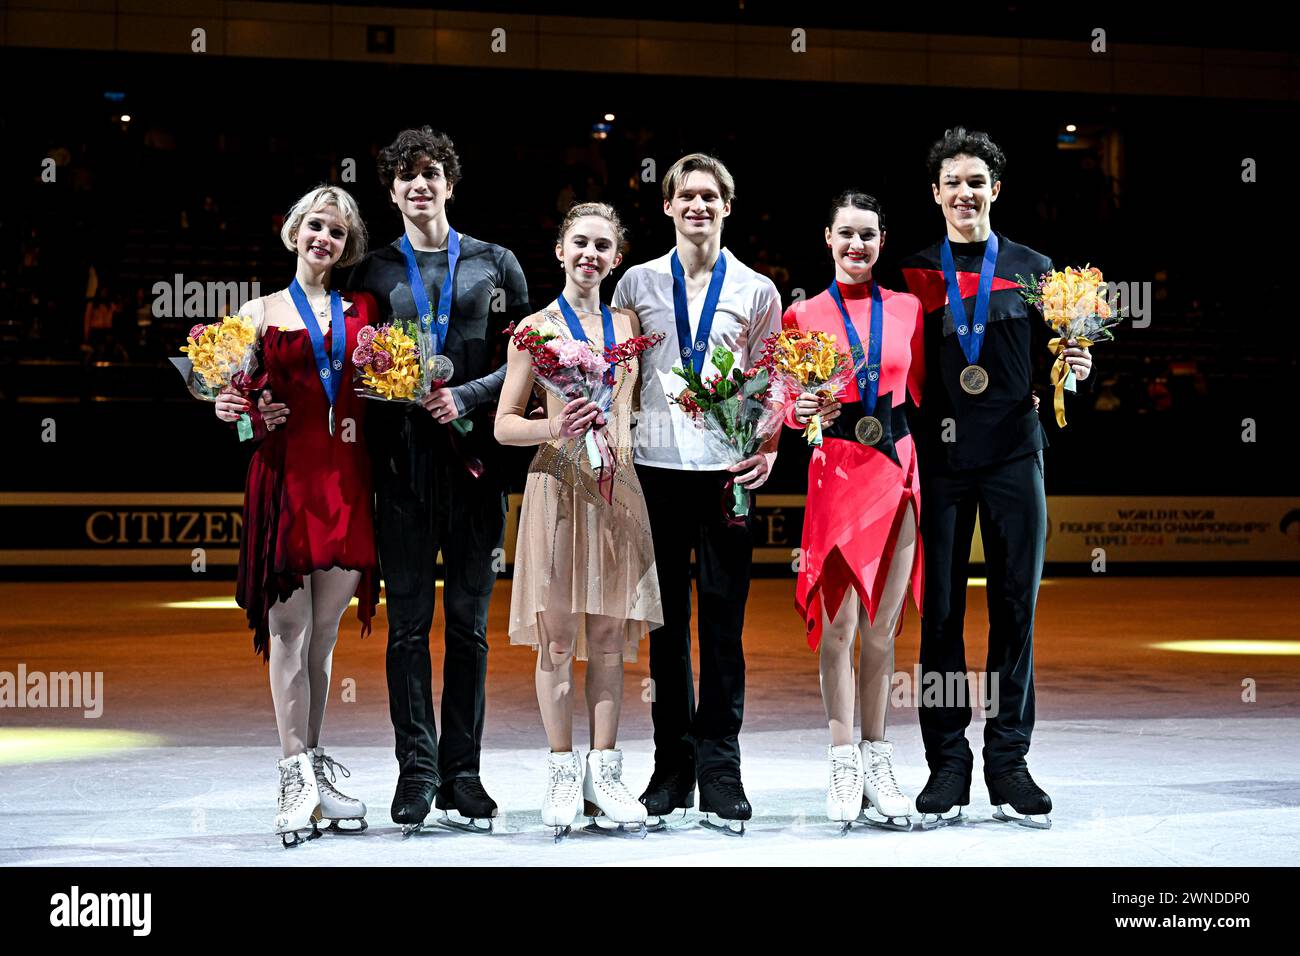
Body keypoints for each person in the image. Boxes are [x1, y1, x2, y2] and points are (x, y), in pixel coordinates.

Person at [899, 127, 1093, 829]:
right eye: (952, 181)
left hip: (1016, 456)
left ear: (996, 190)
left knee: (1016, 611)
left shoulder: (1037, 268)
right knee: (942, 616)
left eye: (976, 181)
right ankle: (949, 764)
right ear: (936, 193)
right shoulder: (914, 271)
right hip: (942, 463)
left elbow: (1064, 355)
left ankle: (1008, 762)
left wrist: (1078, 371)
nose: (964, 192)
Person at [346, 127, 531, 834]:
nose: (419, 186)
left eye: (431, 174)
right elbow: (355, 364)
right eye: (406, 176)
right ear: (391, 190)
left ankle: (465, 772)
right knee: (408, 628)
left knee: (470, 629)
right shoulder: (372, 271)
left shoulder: (498, 263)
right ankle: (417, 772)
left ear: (451, 183)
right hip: (400, 468)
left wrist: (471, 397)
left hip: (477, 466)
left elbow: (525, 367)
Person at [612, 153, 782, 833]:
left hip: (725, 474)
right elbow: (619, 375)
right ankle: (671, 767)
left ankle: (722, 768)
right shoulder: (635, 282)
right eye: (687, 196)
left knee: (722, 626)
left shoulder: (758, 289)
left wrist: (768, 444)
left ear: (728, 207)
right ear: (668, 207)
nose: (699, 206)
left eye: (711, 196)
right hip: (654, 471)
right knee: (665, 630)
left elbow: (772, 379)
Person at [214, 185, 379, 847]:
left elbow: (385, 383)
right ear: (294, 230)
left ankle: (311, 769)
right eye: (316, 226)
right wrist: (237, 414)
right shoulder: (255, 312)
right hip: (285, 479)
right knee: (290, 632)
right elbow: (229, 405)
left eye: (337, 233)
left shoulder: (362, 309)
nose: (325, 240)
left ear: (347, 246)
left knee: (323, 640)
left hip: (345, 478)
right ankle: (291, 776)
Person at [496, 202, 663, 837]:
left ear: (616, 258)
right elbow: (505, 424)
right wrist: (552, 425)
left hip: (616, 489)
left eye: (602, 246)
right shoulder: (533, 329)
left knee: (609, 644)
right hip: (557, 490)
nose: (590, 255)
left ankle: (606, 770)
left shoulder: (628, 324)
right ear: (560, 251)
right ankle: (562, 771)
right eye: (579, 244)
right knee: (559, 641)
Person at [783, 191, 924, 830]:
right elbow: (787, 404)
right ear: (827, 237)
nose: (856, 246)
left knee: (882, 630)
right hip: (835, 476)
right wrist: (798, 413)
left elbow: (929, 387)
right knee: (839, 629)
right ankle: (842, 760)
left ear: (882, 240)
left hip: (898, 473)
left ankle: (878, 756)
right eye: (846, 234)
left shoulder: (908, 309)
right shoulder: (803, 313)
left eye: (868, 235)